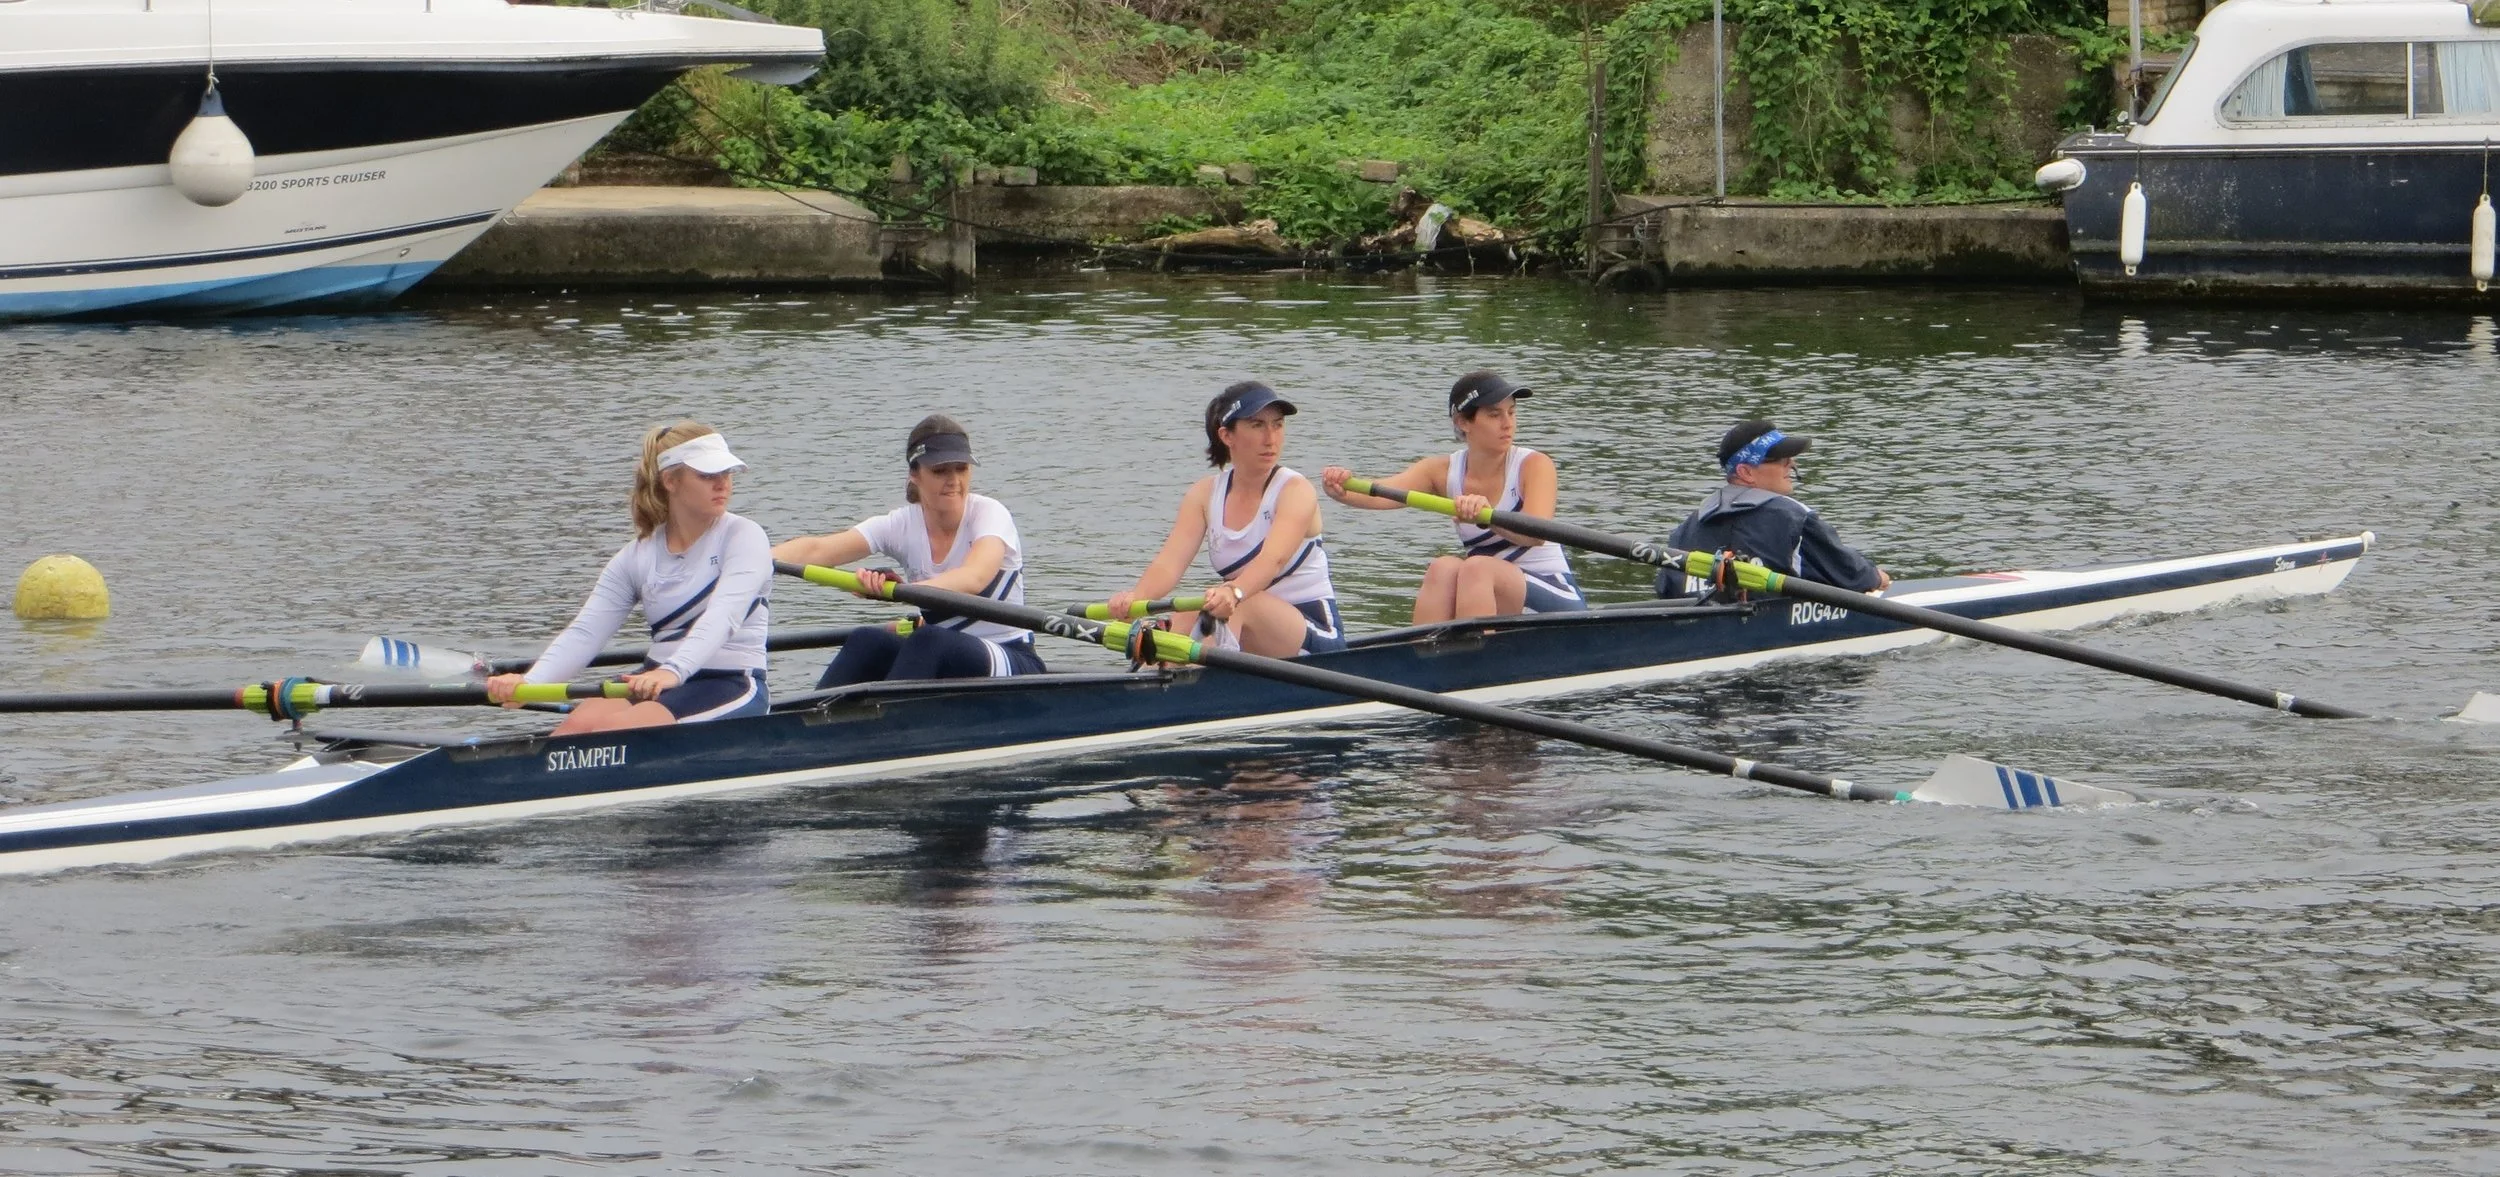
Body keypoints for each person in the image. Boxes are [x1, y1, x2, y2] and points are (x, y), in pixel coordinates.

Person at [485, 422, 772, 734]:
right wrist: (530, 683)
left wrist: (672, 671)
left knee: (623, 728)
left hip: (729, 682)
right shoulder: (636, 556)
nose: (723, 484)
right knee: (577, 725)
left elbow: (723, 615)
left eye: (727, 472)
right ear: (671, 481)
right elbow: (585, 633)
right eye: (707, 475)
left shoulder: (744, 536)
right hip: (654, 681)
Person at [772, 414, 1044, 687]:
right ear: (915, 475)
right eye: (940, 471)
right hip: (944, 654)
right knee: (867, 640)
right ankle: (805, 723)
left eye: (961, 469)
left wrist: (902, 592)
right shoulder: (901, 525)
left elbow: (974, 577)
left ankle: (890, 723)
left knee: (928, 640)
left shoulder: (989, 514)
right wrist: (752, 561)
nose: (953, 480)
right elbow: (818, 549)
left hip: (1012, 657)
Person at [1107, 381, 1346, 658]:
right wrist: (1134, 601)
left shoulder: (1295, 490)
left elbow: (1272, 561)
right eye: (1257, 426)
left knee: (1235, 602)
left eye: (1277, 425)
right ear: (1227, 435)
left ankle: (1184, 681)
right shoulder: (1204, 494)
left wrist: (1233, 592)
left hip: (1316, 635)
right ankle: (1154, 679)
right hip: (1246, 623)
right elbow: (1168, 564)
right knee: (1192, 610)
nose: (1271, 438)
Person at [1320, 370, 1583, 622]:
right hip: (1488, 593)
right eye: (1494, 415)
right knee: (1442, 568)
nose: (1508, 424)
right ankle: (1423, 659)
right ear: (1462, 422)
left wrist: (1487, 518)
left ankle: (1476, 660)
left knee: (1477, 568)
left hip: (1553, 596)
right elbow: (1384, 492)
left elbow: (1536, 534)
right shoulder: (1442, 471)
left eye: (1512, 413)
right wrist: (1342, 489)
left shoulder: (1534, 465)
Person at [1657, 419, 1890, 598]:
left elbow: (1664, 591)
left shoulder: (1685, 528)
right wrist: (1874, 576)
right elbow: (1849, 574)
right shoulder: (1793, 517)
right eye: (1781, 459)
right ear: (1746, 472)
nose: (1792, 463)